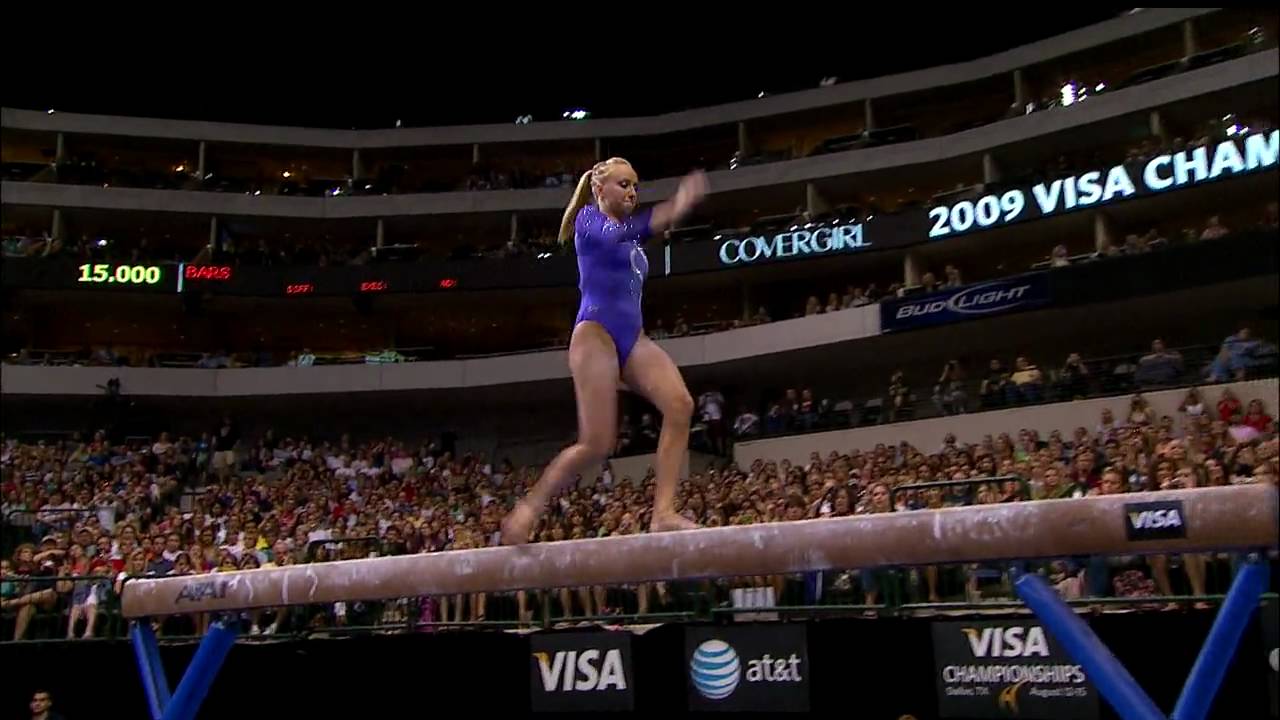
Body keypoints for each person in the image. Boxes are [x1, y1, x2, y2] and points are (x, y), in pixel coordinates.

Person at [502, 158, 708, 543]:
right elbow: (626, 231)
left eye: (635, 186)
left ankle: (663, 512)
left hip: (633, 338)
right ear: (599, 188)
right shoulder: (587, 221)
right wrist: (676, 205)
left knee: (680, 405)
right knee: (597, 443)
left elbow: (634, 235)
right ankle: (529, 509)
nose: (631, 192)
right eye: (623, 184)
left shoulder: (629, 235)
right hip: (595, 334)